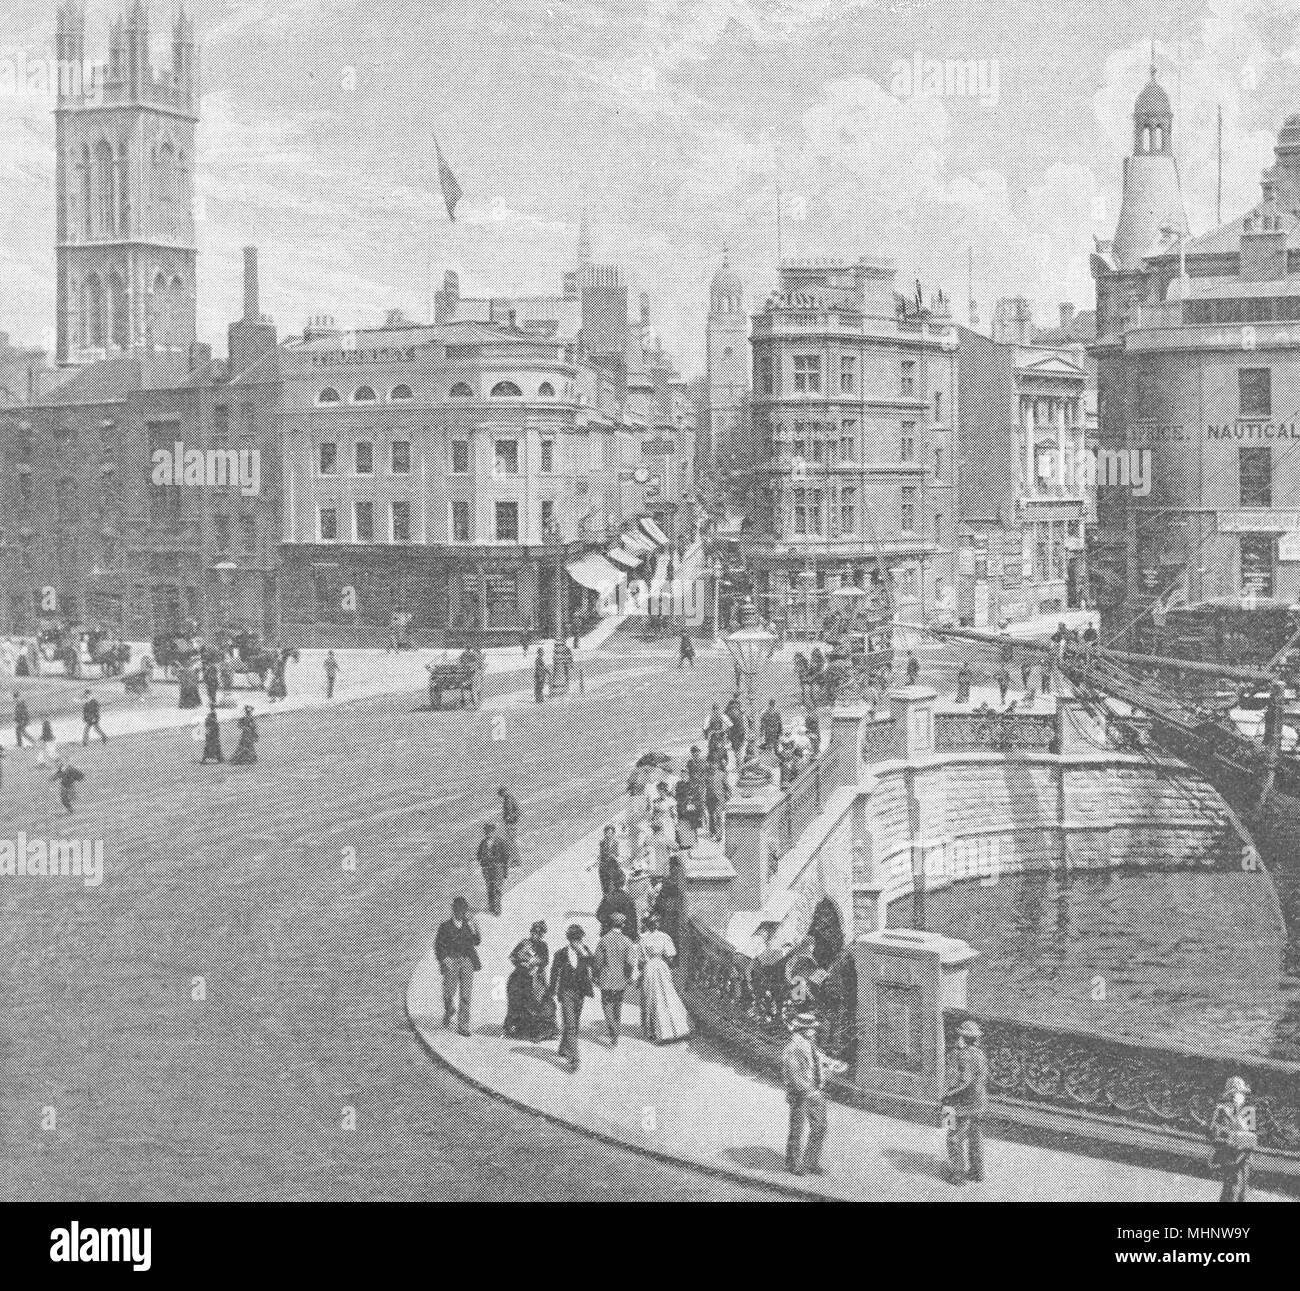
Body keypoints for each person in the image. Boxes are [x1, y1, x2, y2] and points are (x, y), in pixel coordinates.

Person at [782, 1012, 828, 1176]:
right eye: (811, 1028)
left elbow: (819, 1060)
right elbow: (794, 1076)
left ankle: (811, 1162)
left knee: (820, 1127)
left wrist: (831, 1064)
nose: (814, 1031)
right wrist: (809, 1091)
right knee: (797, 1130)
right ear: (802, 1029)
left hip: (815, 1092)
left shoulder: (810, 1044)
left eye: (814, 1028)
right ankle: (793, 1164)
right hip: (801, 1095)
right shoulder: (794, 1048)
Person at [944, 1019, 988, 1184]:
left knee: (953, 1137)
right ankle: (978, 1172)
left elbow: (963, 1081)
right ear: (976, 1039)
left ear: (961, 1036)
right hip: (979, 1103)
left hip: (958, 1105)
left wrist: (946, 1095)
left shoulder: (959, 1055)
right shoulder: (980, 1054)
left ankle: (958, 1175)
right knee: (975, 1137)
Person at [638, 913, 691, 1043]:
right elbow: (671, 955)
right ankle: (675, 1028)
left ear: (648, 925)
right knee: (667, 996)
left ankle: (653, 1031)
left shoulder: (643, 939)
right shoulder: (664, 937)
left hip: (649, 967)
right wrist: (665, 960)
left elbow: (641, 960)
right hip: (661, 966)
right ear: (658, 924)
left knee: (651, 997)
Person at [548, 923, 595, 1072]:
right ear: (569, 939)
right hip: (566, 992)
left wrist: (583, 953)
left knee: (574, 1021)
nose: (576, 942)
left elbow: (593, 965)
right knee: (571, 1024)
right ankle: (574, 1059)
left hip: (580, 992)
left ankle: (563, 1048)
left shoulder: (585, 950)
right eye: (574, 939)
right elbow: (554, 973)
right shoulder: (560, 954)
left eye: (579, 939)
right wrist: (551, 991)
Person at [434, 897, 481, 1036]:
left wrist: (476, 928)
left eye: (464, 910)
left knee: (466, 995)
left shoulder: (468, 925)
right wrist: (444, 959)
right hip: (452, 962)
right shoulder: (445, 927)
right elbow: (438, 946)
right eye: (460, 910)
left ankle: (463, 1025)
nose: (462, 913)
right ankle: (449, 1009)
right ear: (454, 910)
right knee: (448, 992)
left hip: (467, 961)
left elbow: (476, 942)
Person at [504, 925, 558, 1042]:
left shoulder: (543, 945)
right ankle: (517, 1027)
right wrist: (523, 963)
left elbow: (545, 960)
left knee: (539, 1001)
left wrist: (536, 961)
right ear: (531, 932)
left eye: (539, 934)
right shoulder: (524, 943)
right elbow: (513, 957)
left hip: (536, 978)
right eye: (534, 933)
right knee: (517, 999)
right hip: (520, 976)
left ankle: (544, 1029)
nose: (536, 935)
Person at [594, 911, 638, 1047]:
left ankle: (613, 1030)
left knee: (606, 1005)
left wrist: (596, 976)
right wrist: (629, 976)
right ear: (623, 925)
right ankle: (615, 1031)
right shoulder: (627, 941)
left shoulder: (604, 940)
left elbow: (597, 962)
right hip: (621, 979)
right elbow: (630, 962)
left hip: (606, 978)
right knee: (618, 1005)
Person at [1209, 1076, 1256, 1202]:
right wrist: (1229, 1138)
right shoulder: (1222, 1110)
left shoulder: (1248, 1111)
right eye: (1237, 1093)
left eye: (1242, 1094)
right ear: (1231, 1094)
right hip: (1230, 1156)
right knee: (1231, 1189)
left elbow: (1252, 1135)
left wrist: (1245, 1140)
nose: (1240, 1096)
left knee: (1242, 1191)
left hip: (1245, 1157)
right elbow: (1214, 1133)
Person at [477, 821, 510, 916]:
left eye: (491, 831)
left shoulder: (501, 842)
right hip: (487, 869)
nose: (489, 833)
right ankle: (491, 907)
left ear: (494, 831)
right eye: (487, 831)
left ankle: (497, 909)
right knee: (490, 888)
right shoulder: (483, 843)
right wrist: (482, 862)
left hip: (498, 868)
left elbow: (506, 856)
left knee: (497, 888)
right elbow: (478, 856)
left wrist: (504, 870)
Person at [596, 869, 639, 938]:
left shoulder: (608, 898)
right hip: (625, 935)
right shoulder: (628, 899)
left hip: (608, 935)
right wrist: (634, 936)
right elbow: (633, 920)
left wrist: (611, 921)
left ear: (612, 882)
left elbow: (599, 915)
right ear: (624, 882)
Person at [498, 785, 522, 869]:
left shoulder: (508, 799)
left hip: (511, 824)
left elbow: (509, 812)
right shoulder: (510, 797)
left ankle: (516, 861)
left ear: (503, 793)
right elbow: (518, 811)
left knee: (512, 842)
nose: (501, 796)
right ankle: (516, 860)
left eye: (501, 794)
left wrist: (508, 819)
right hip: (513, 823)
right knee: (512, 841)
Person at [598, 824, 624, 897]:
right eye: (607, 833)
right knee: (605, 888)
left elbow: (617, 854)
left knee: (612, 887)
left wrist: (615, 858)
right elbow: (601, 855)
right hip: (604, 868)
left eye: (611, 833)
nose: (609, 835)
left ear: (613, 833)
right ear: (605, 833)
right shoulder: (602, 843)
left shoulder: (616, 843)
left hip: (613, 868)